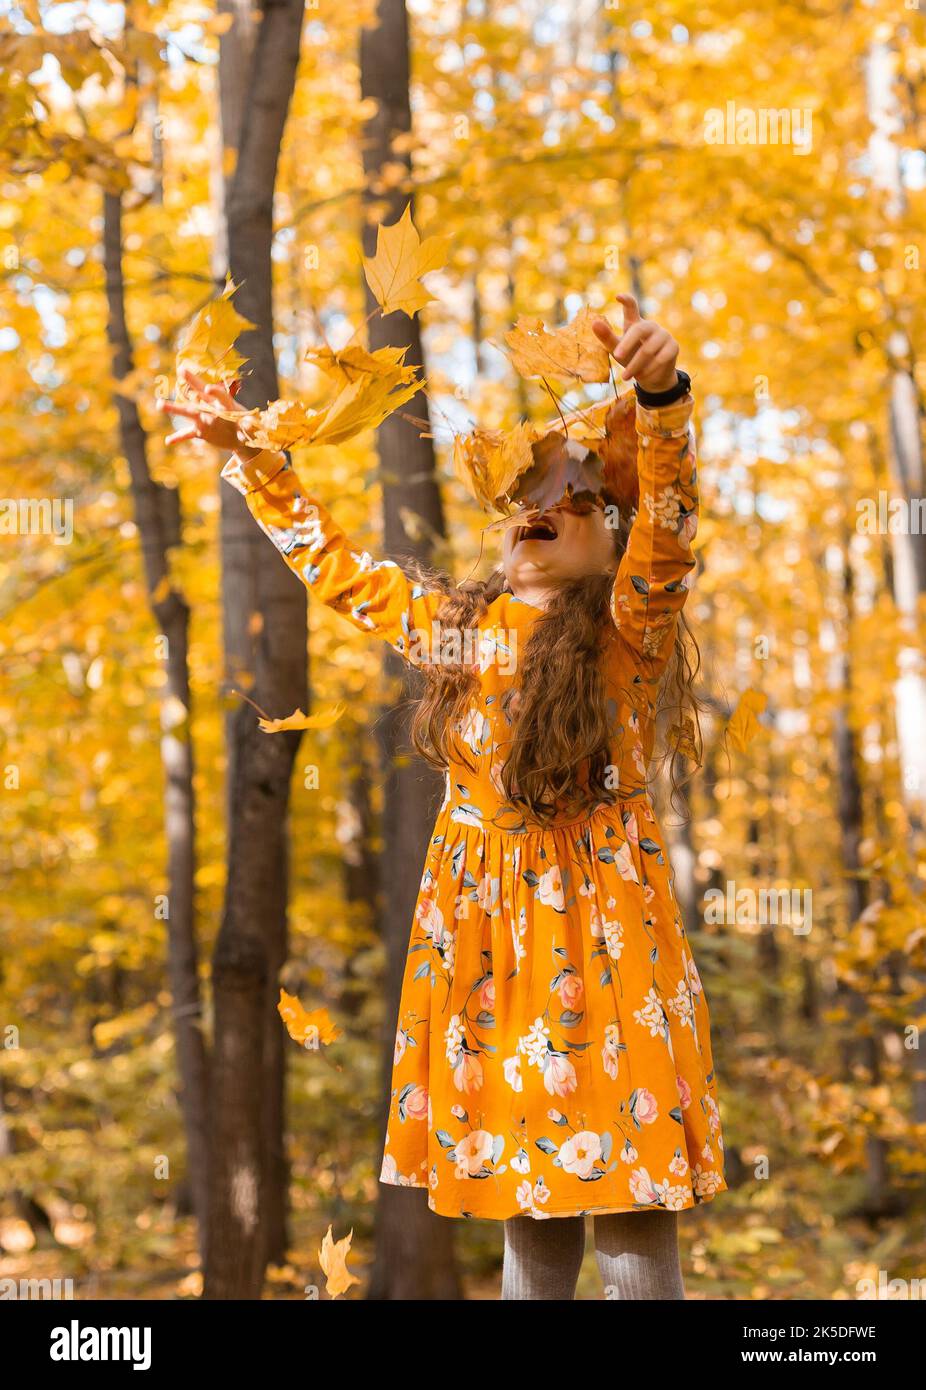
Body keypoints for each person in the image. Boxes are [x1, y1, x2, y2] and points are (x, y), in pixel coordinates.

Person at [160, 292, 727, 1300]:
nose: (540, 504)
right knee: (526, 1215)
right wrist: (248, 450)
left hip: (604, 951)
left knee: (631, 1217)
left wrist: (660, 394)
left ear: (613, 536)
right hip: (489, 957)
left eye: (577, 495)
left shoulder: (625, 632)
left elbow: (673, 518)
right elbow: (334, 567)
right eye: (525, 491)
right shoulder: (457, 631)